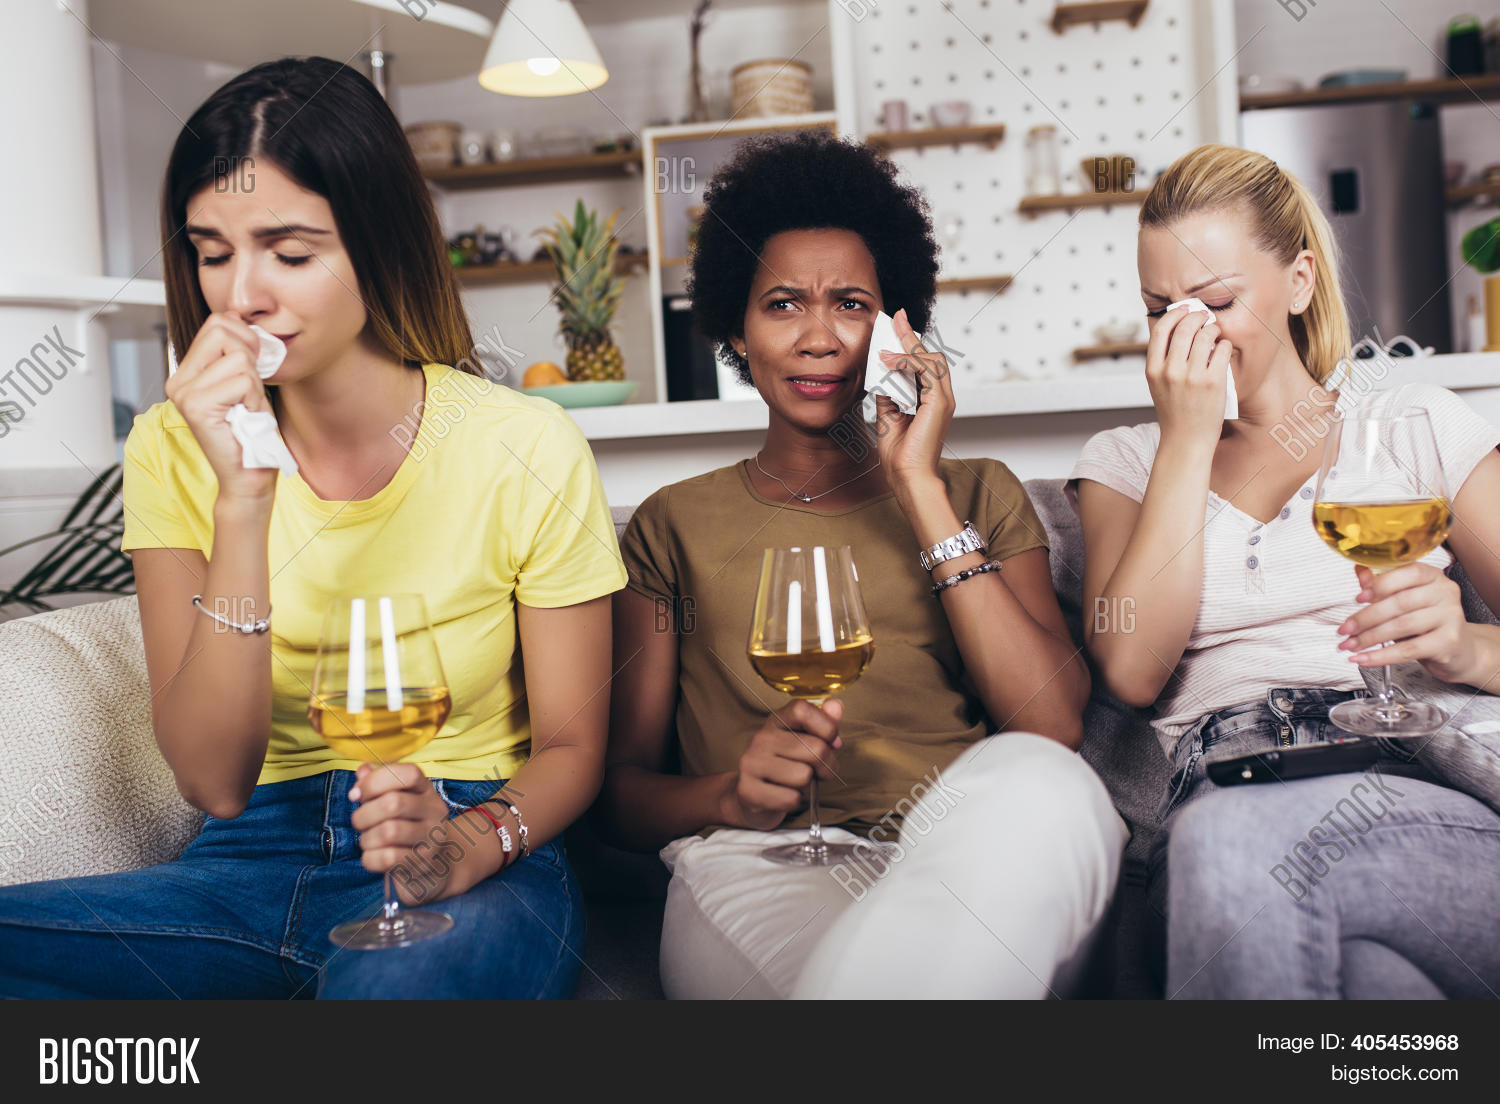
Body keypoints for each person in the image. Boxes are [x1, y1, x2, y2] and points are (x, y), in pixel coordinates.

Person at [0, 58, 625, 999]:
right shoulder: (172, 448)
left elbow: (576, 751)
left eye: (288, 253)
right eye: (213, 252)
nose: (240, 294)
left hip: (461, 838)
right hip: (248, 856)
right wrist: (243, 498)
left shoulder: (523, 441)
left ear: (376, 245)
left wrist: (468, 841)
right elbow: (213, 782)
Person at [595, 131, 1125, 1000]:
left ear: (893, 328)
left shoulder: (974, 490)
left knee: (1045, 785)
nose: (817, 337)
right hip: (760, 864)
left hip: (965, 849)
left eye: (849, 304)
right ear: (735, 325)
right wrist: (731, 796)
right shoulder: (671, 526)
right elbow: (617, 795)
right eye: (781, 305)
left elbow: (1052, 725)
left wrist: (918, 487)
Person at [1071, 143, 1500, 998]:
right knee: (1378, 988)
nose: (1185, 331)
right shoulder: (1125, 461)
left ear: (1300, 282)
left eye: (1216, 301)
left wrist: (1470, 649)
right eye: (1160, 311)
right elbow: (1129, 667)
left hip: (1414, 783)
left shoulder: (1413, 423)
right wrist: (1187, 441)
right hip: (1225, 787)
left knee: (1239, 852)